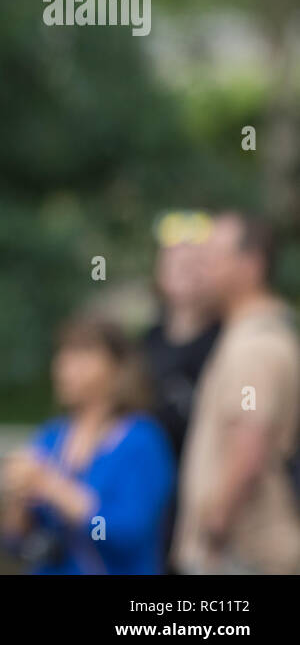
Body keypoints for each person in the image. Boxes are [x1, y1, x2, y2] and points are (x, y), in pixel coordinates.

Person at [172, 210, 300, 574]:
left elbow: (248, 447)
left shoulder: (255, 347)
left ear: (251, 265)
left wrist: (214, 530)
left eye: (213, 257)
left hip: (241, 556)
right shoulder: (250, 337)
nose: (202, 268)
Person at [0, 314, 175, 574]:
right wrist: (16, 496)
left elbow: (127, 533)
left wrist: (52, 487)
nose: (64, 367)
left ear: (118, 368)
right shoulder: (51, 436)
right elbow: (12, 541)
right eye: (63, 355)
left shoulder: (142, 440)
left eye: (81, 355)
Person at [140, 210, 221, 572]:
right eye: (175, 261)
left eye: (196, 262)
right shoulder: (147, 343)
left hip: (208, 497)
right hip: (150, 501)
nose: (185, 270)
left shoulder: (228, 340)